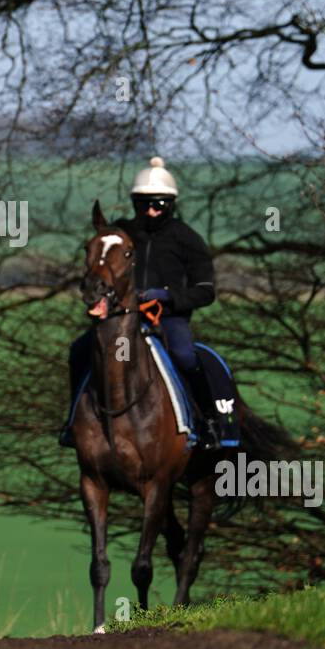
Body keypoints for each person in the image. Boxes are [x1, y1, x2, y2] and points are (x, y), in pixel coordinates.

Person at [61, 157, 218, 447]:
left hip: (168, 318)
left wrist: (169, 297)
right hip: (122, 320)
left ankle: (208, 422)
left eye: (157, 204)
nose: (149, 210)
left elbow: (206, 291)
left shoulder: (186, 238)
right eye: (142, 204)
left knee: (185, 354)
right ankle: (73, 423)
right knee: (80, 350)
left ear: (170, 204)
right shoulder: (122, 233)